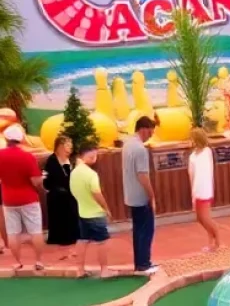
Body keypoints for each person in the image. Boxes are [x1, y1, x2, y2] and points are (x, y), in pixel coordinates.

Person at [0, 123, 45, 271]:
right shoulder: (27, 156)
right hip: (28, 198)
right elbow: (35, 181)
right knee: (35, 231)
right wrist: (41, 179)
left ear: (6, 139)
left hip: (8, 199)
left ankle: (18, 262)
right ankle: (39, 261)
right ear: (20, 140)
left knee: (13, 233)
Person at [70, 145, 114, 279]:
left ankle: (80, 270)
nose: (94, 158)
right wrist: (106, 208)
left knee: (82, 240)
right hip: (95, 213)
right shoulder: (91, 174)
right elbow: (96, 193)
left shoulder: (74, 172)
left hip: (82, 211)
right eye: (92, 156)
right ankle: (104, 270)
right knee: (102, 241)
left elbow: (73, 191)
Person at [122, 116, 158, 274]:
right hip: (141, 197)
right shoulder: (140, 149)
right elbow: (143, 175)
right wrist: (152, 196)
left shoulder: (127, 144)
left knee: (138, 231)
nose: (150, 135)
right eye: (150, 132)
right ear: (143, 129)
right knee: (146, 231)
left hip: (130, 195)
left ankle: (139, 264)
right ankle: (144, 264)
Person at [44, 134, 80, 256]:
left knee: (72, 213)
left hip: (70, 193)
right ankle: (59, 238)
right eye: (68, 145)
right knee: (58, 216)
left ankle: (73, 236)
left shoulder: (72, 160)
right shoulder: (51, 161)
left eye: (71, 145)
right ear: (60, 146)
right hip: (57, 195)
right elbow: (47, 180)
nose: (70, 148)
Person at [188, 128, 220, 252]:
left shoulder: (207, 151)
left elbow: (209, 170)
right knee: (199, 218)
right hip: (197, 189)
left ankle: (216, 241)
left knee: (206, 218)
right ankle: (211, 239)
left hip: (205, 189)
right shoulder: (192, 157)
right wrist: (192, 193)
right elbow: (191, 175)